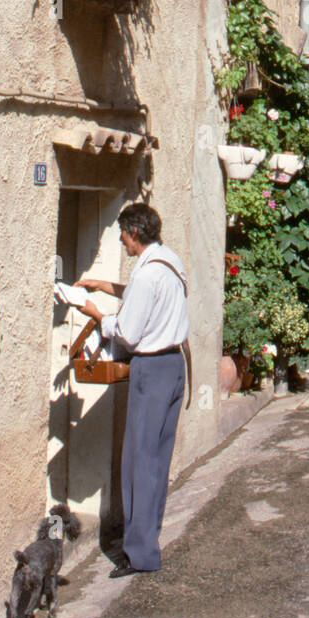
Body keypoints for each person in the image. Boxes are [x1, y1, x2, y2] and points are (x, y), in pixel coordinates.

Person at [76, 203, 189, 577]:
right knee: (156, 461)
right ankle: (147, 540)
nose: (122, 241)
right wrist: (104, 285)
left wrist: (94, 312)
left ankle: (139, 555)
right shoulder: (169, 261)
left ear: (134, 233)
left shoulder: (144, 277)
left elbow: (127, 332)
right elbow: (146, 294)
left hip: (152, 370)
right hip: (174, 367)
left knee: (138, 463)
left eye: (123, 234)